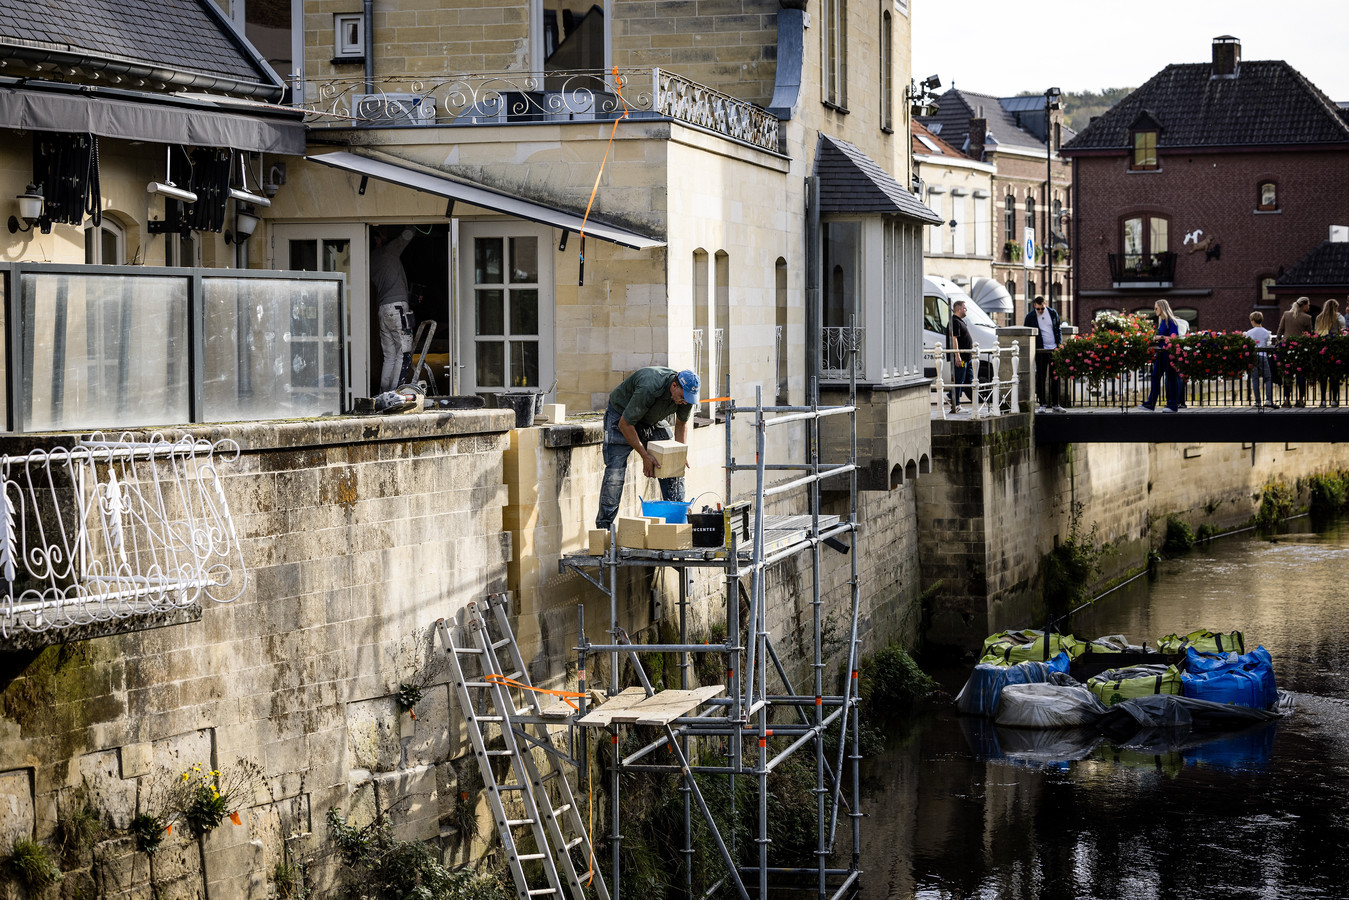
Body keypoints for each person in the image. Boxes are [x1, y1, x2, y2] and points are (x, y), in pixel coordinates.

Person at [596, 367, 699, 531]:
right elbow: (625, 424)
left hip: (651, 419)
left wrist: (679, 453)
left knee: (673, 465)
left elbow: (681, 424)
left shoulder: (686, 397)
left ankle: (676, 526)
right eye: (682, 397)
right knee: (615, 474)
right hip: (621, 416)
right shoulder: (650, 386)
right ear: (674, 386)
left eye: (688, 399)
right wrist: (645, 456)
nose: (685, 402)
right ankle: (604, 529)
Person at [371, 226, 416, 392]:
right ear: (376, 239)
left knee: (389, 356)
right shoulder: (388, 252)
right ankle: (396, 394)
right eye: (382, 234)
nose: (385, 236)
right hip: (397, 309)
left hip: (383, 309)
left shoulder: (370, 260)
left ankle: (385, 393)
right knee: (404, 353)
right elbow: (407, 235)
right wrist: (415, 222)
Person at [1137, 299, 1181, 412]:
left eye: (1156, 308)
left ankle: (1172, 405)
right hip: (1161, 353)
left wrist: (1160, 337)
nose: (1155, 310)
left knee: (1170, 378)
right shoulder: (1163, 321)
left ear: (1162, 308)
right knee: (1155, 377)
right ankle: (1151, 404)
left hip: (1168, 354)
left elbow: (1175, 338)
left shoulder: (1171, 321)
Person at [1023, 296, 1063, 412]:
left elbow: (1058, 329)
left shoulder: (1053, 313)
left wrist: (1059, 344)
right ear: (1034, 306)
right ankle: (1042, 404)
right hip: (1040, 350)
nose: (1040, 311)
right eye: (1038, 309)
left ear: (1046, 305)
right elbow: (1027, 333)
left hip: (1054, 349)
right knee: (1041, 376)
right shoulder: (1030, 317)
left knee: (1055, 376)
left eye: (1042, 308)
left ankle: (1056, 404)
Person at [1274, 296, 1313, 407]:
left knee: (1287, 374)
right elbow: (1309, 335)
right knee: (1301, 374)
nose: (1308, 307)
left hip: (1286, 348)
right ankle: (1300, 399)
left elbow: (1279, 331)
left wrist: (1279, 342)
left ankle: (1286, 400)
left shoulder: (1286, 314)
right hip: (1300, 349)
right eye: (1308, 305)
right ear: (1304, 305)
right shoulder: (1307, 318)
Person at [948, 300, 974, 414]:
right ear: (958, 309)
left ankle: (951, 396)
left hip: (967, 357)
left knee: (970, 379)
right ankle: (956, 403)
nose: (966, 310)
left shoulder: (960, 321)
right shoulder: (954, 321)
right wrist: (957, 356)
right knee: (959, 379)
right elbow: (954, 339)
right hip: (962, 358)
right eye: (964, 308)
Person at [1315, 299, 1342, 406]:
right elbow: (1344, 328)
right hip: (1334, 348)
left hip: (1322, 348)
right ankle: (1334, 399)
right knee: (1334, 375)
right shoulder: (1337, 317)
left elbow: (1316, 332)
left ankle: (1323, 400)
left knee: (1323, 376)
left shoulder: (1319, 317)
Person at [1245, 311, 1274, 408]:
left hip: (1254, 356)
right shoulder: (1266, 332)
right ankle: (1268, 400)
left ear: (1253, 320)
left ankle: (1258, 401)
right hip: (1263, 355)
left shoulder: (1249, 332)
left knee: (1255, 379)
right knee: (1268, 378)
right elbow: (1267, 343)